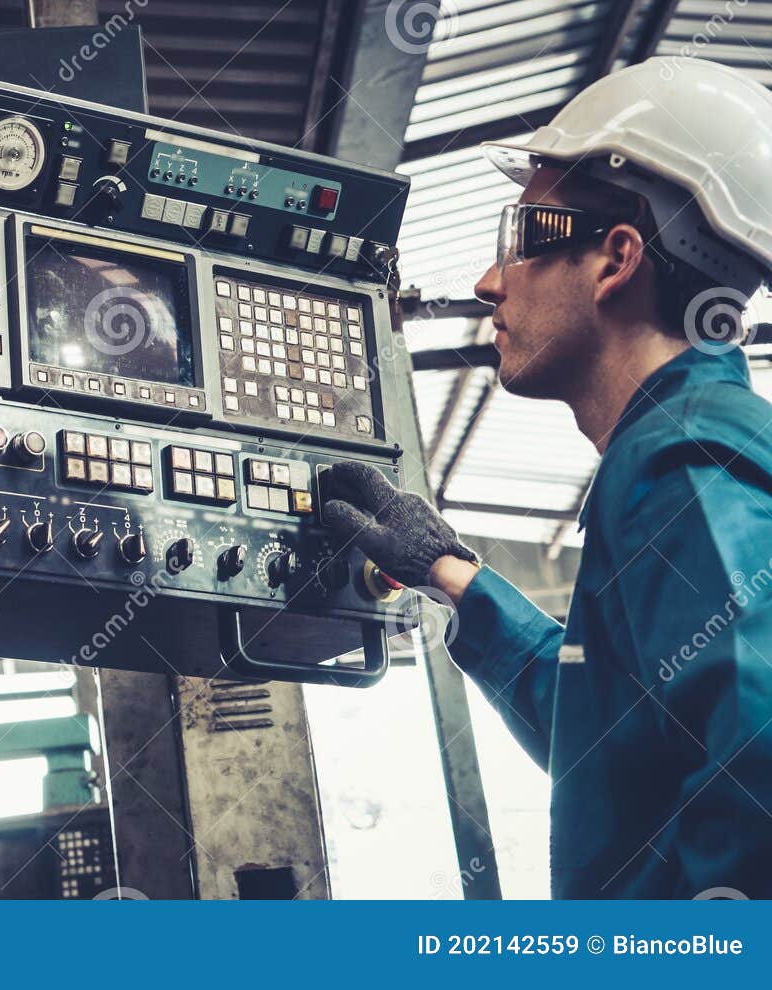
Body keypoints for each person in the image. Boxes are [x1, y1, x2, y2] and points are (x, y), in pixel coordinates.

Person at [320, 57, 772, 899]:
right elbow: (599, 735)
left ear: (616, 259)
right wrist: (448, 572)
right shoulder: (674, 459)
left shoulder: (686, 462)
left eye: (522, 236)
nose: (489, 282)